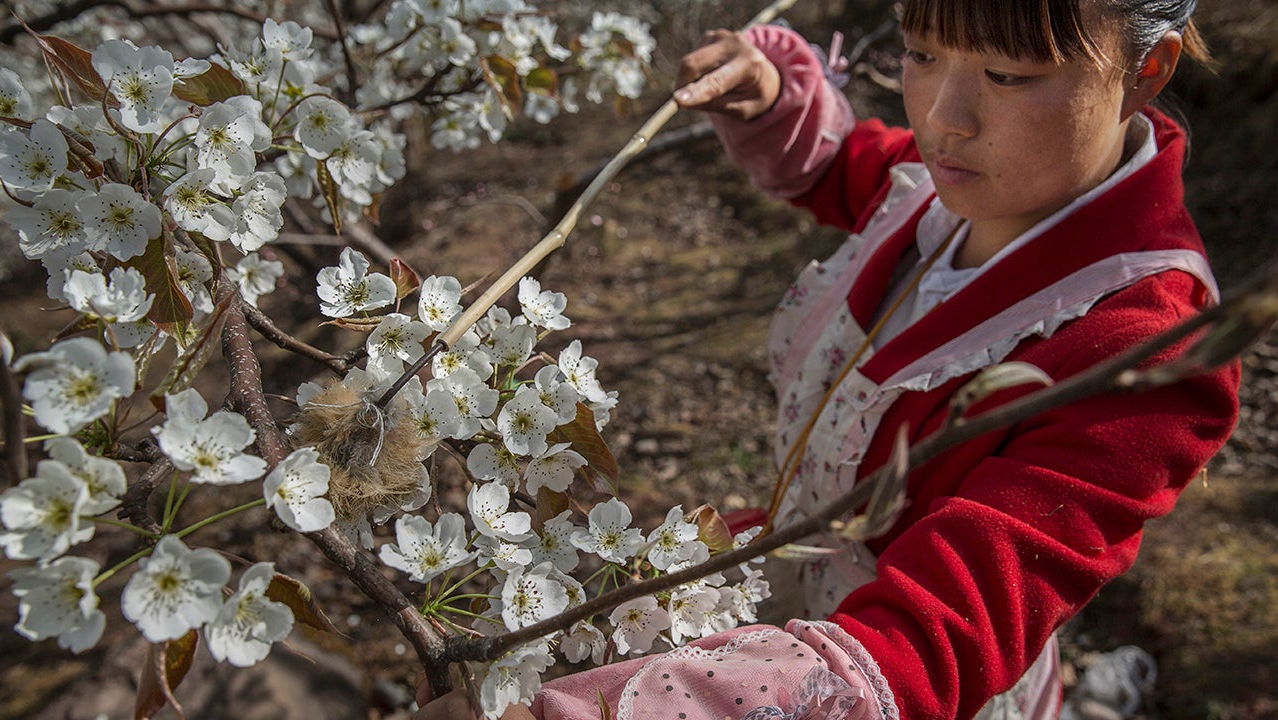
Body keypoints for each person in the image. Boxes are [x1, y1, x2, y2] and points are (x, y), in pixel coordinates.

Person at [417, 1, 1240, 718]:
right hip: (768, 593)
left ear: (1144, 70)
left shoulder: (1148, 351)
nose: (945, 117)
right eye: (921, 54)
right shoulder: (948, 189)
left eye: (1007, 74)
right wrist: (772, 97)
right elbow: (851, 169)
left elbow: (932, 639)